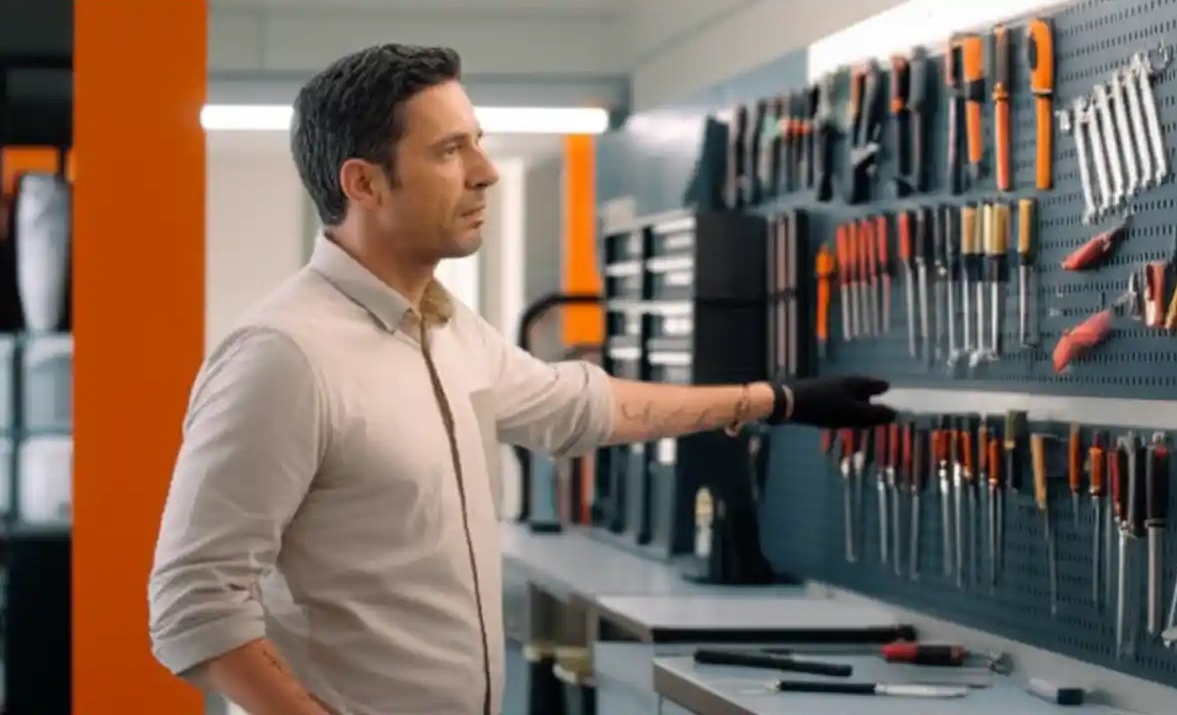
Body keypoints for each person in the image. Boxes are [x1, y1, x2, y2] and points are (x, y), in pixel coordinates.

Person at [147, 44, 895, 715]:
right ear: (365, 184)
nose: (486, 171)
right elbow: (193, 603)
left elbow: (585, 407)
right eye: (450, 150)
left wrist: (776, 400)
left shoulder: (447, 329)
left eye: (477, 142)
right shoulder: (283, 355)